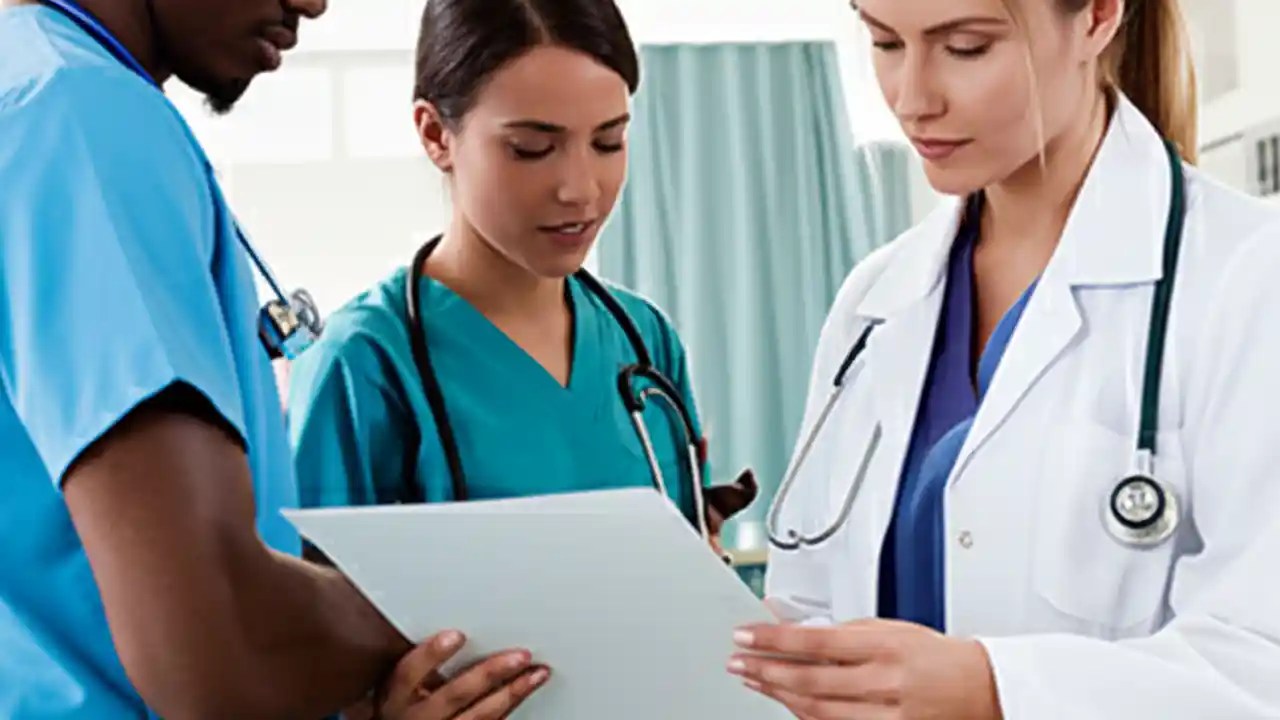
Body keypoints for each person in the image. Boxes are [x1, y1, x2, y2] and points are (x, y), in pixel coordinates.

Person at [725, 0, 1280, 717]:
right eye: (886, 43)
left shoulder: (1246, 278)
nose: (910, 98)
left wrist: (994, 689)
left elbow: (1260, 661)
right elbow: (809, 608)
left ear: (1097, 16)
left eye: (965, 47)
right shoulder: (875, 301)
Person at [0, 0, 540, 717]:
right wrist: (499, 610)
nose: (315, 3)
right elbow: (217, 645)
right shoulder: (81, 116)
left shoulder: (30, 84)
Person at [284, 0, 756, 715]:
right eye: (532, 148)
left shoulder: (644, 341)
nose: (580, 189)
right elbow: (305, 659)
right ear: (435, 134)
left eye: (608, 142)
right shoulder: (366, 363)